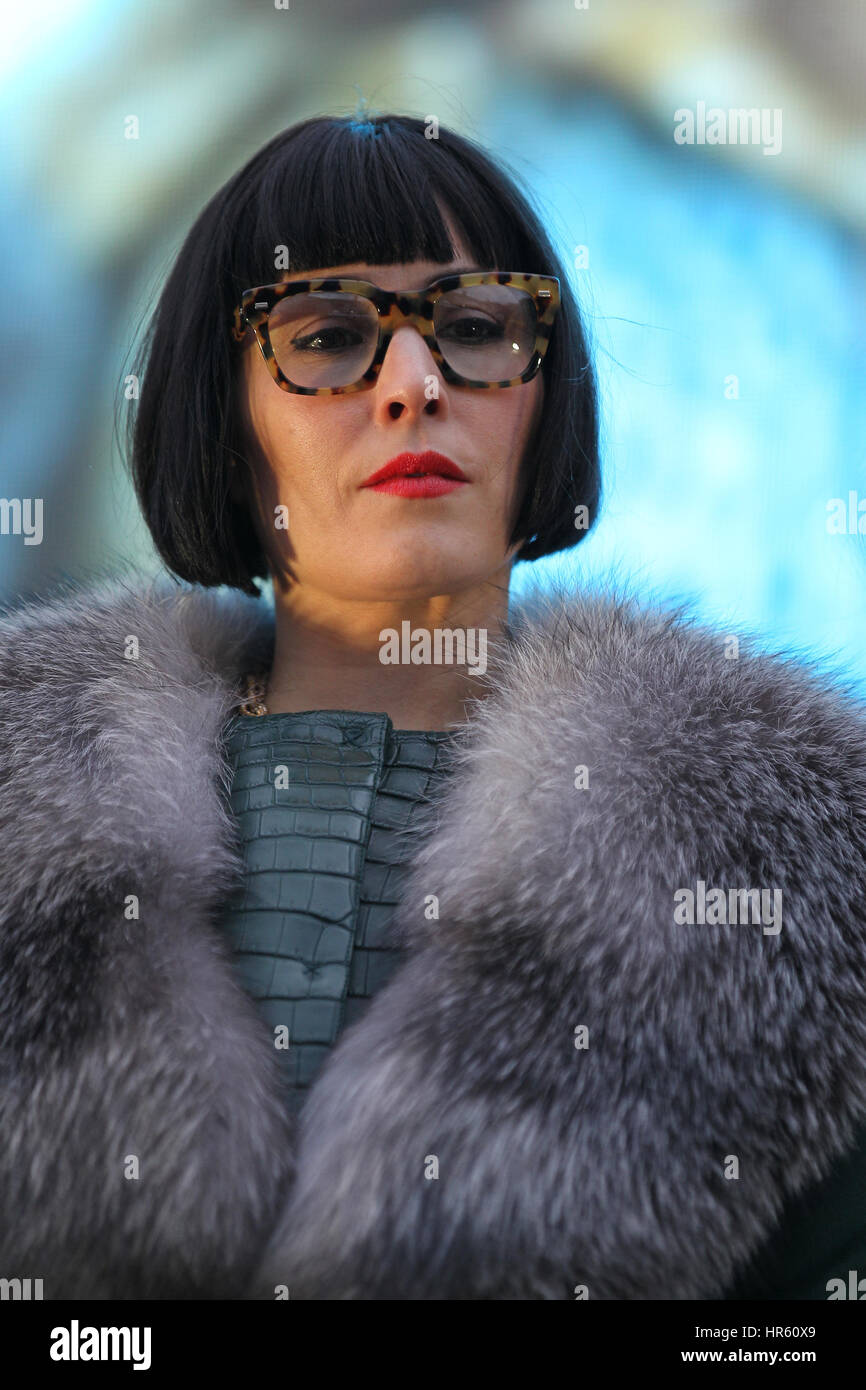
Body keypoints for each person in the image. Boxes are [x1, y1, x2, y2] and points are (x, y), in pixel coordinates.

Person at [2, 113, 866, 1302]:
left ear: (542, 396)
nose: (412, 385)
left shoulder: (809, 865)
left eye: (471, 329)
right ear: (219, 411)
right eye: (325, 335)